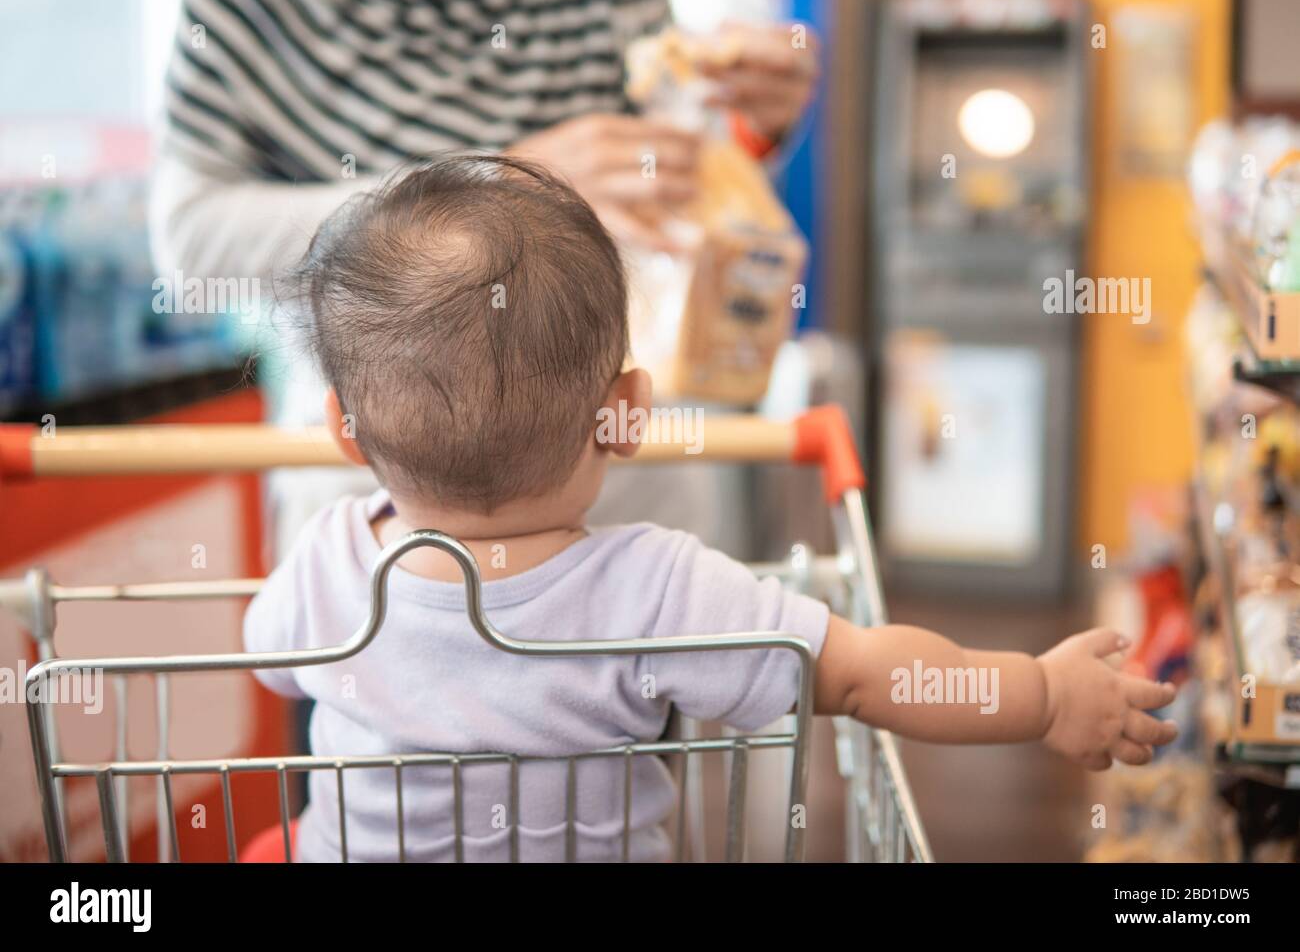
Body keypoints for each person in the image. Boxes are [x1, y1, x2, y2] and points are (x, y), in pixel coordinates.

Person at [243, 155, 1178, 862]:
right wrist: (1043, 694)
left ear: (345, 432)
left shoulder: (332, 559)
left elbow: (264, 652)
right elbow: (861, 674)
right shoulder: (652, 587)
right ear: (627, 412)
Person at [150, 0, 819, 557]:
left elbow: (659, 171)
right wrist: (495, 180)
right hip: (385, 493)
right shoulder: (254, 11)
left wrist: (741, 125)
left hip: (619, 486)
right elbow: (192, 243)